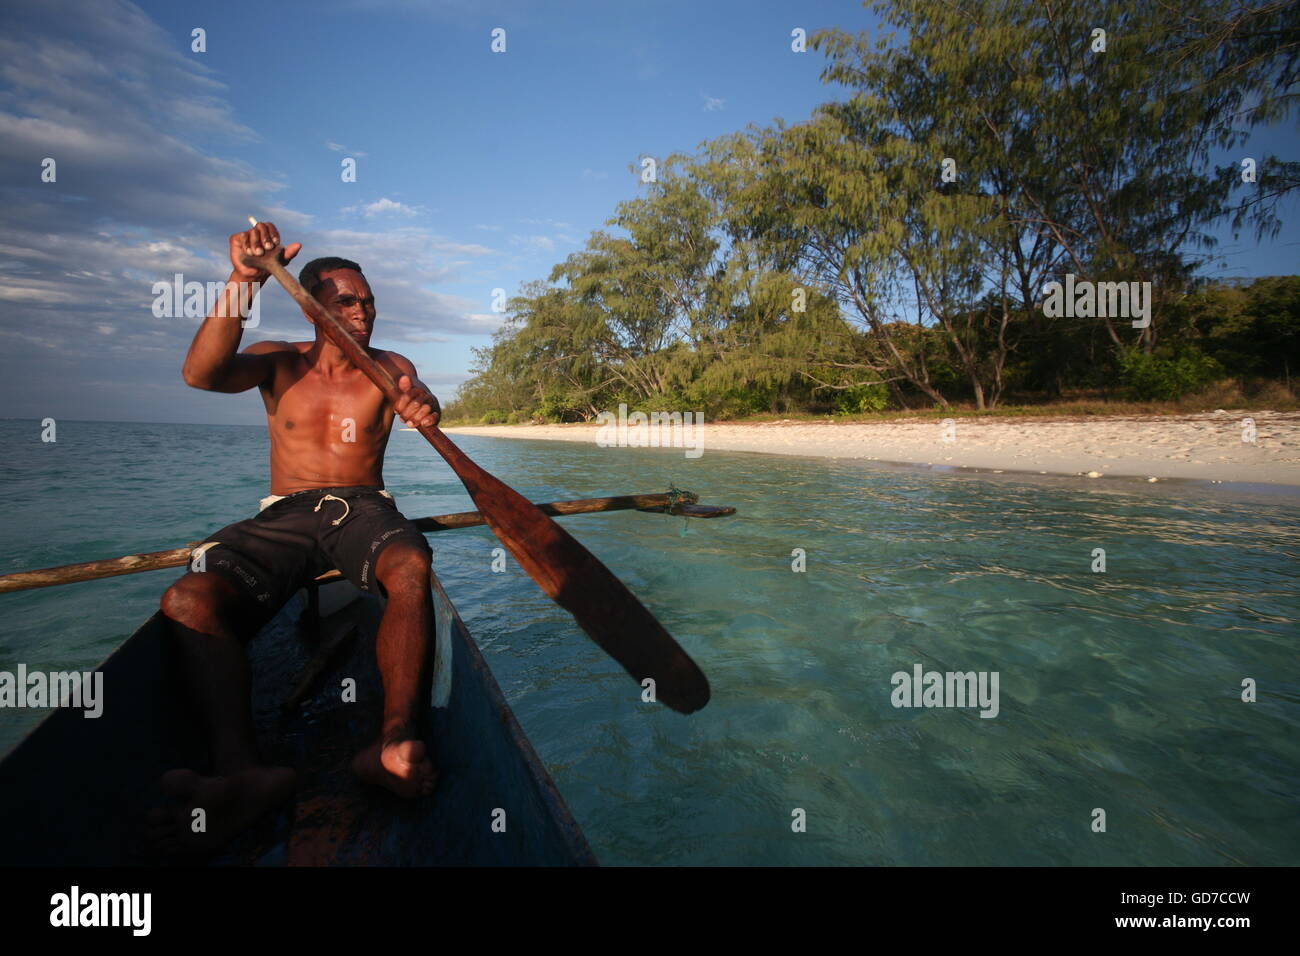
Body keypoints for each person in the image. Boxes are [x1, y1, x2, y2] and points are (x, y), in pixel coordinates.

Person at [150, 220, 439, 854]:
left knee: (411, 567)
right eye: (347, 302)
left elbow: (423, 402)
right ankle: (243, 772)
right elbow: (201, 374)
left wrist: (426, 407)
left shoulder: (391, 367)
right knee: (188, 600)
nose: (363, 311)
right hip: (286, 513)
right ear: (312, 307)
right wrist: (242, 282)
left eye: (368, 301)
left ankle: (391, 743)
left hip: (364, 509)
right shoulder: (279, 360)